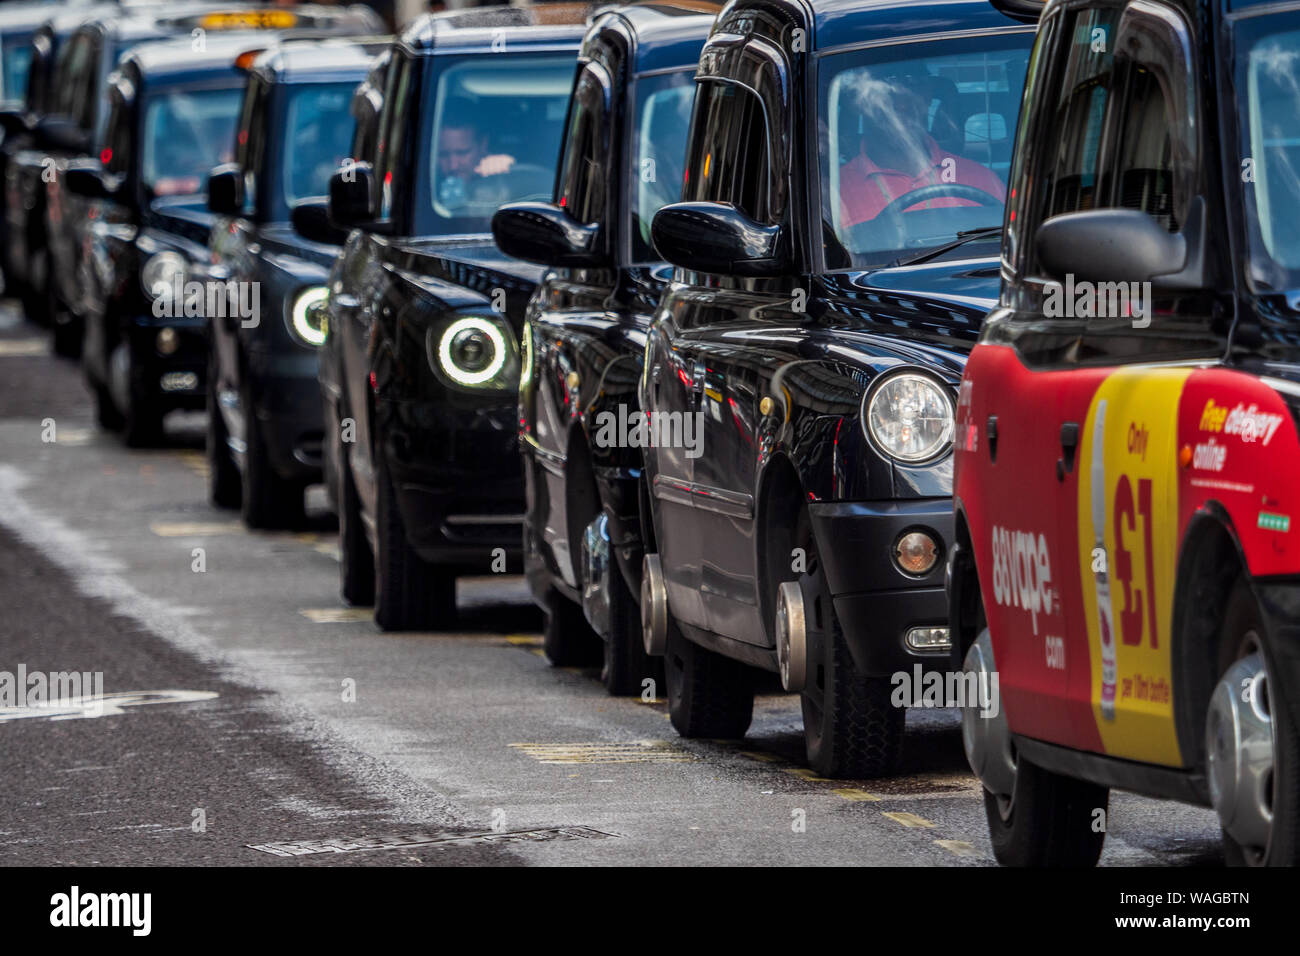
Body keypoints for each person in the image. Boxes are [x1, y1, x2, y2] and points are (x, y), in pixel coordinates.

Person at [838, 78, 1004, 229]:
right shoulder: (836, 191)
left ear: (927, 98)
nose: (901, 104)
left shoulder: (983, 180)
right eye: (885, 89)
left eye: (912, 86)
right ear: (859, 104)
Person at [435, 97, 517, 210]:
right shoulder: (421, 182)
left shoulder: (506, 173)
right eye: (443, 154)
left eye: (462, 153)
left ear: (483, 144)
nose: (453, 165)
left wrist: (509, 170)